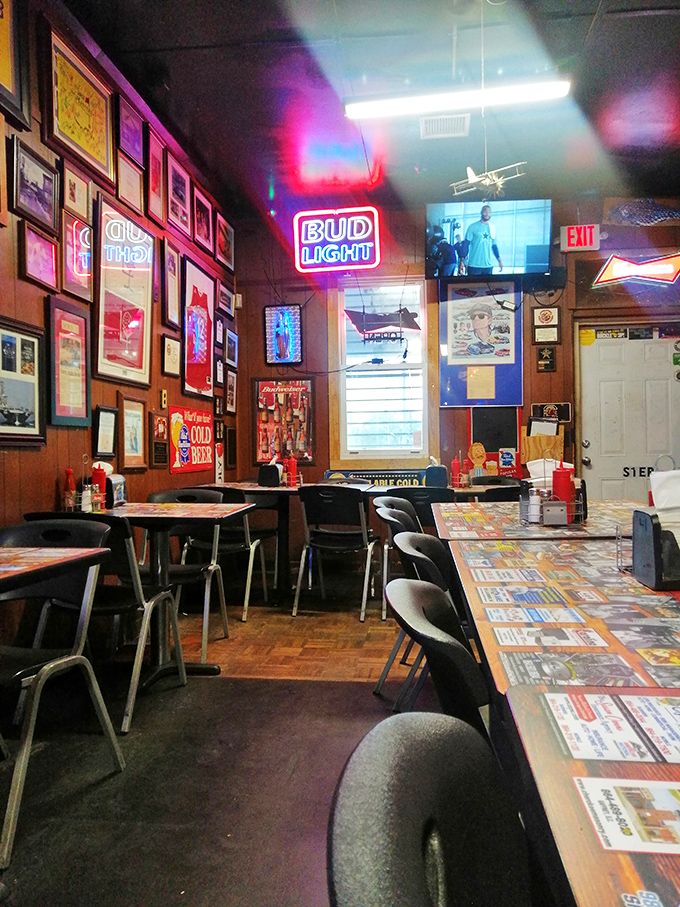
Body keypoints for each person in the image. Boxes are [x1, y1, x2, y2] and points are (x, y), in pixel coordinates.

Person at [463, 205, 503, 275]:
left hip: (488, 266)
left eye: (489, 212)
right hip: (474, 265)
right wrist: (463, 262)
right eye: (485, 211)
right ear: (481, 212)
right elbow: (466, 245)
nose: (487, 213)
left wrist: (499, 261)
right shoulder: (473, 227)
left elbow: (494, 246)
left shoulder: (492, 228)